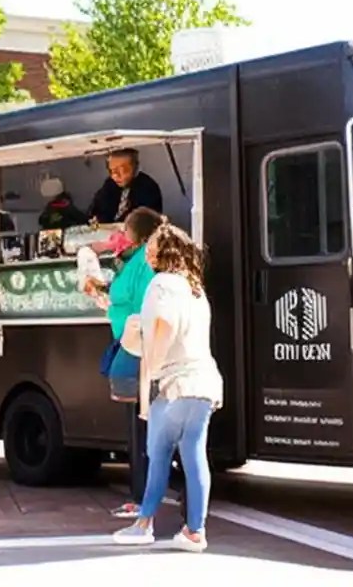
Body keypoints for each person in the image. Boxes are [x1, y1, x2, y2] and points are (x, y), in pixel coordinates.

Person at [113, 219, 222, 552]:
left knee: (157, 455)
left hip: (174, 382)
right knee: (194, 455)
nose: (147, 251)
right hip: (204, 383)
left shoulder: (161, 284)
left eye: (151, 247)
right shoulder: (195, 289)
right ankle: (195, 531)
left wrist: (154, 369)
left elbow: (164, 324)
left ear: (163, 252)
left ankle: (144, 524)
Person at [83, 207, 160, 519]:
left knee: (141, 426)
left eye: (125, 230)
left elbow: (131, 297)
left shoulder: (142, 261)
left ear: (137, 233)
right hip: (135, 344)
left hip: (140, 350)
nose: (122, 236)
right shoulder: (138, 259)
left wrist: (100, 289)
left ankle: (143, 499)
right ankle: (140, 496)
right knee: (138, 425)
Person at [87, 149, 163, 225]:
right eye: (111, 171)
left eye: (121, 170)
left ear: (135, 168)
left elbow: (141, 222)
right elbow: (97, 208)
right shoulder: (110, 184)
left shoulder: (148, 188)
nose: (115, 175)